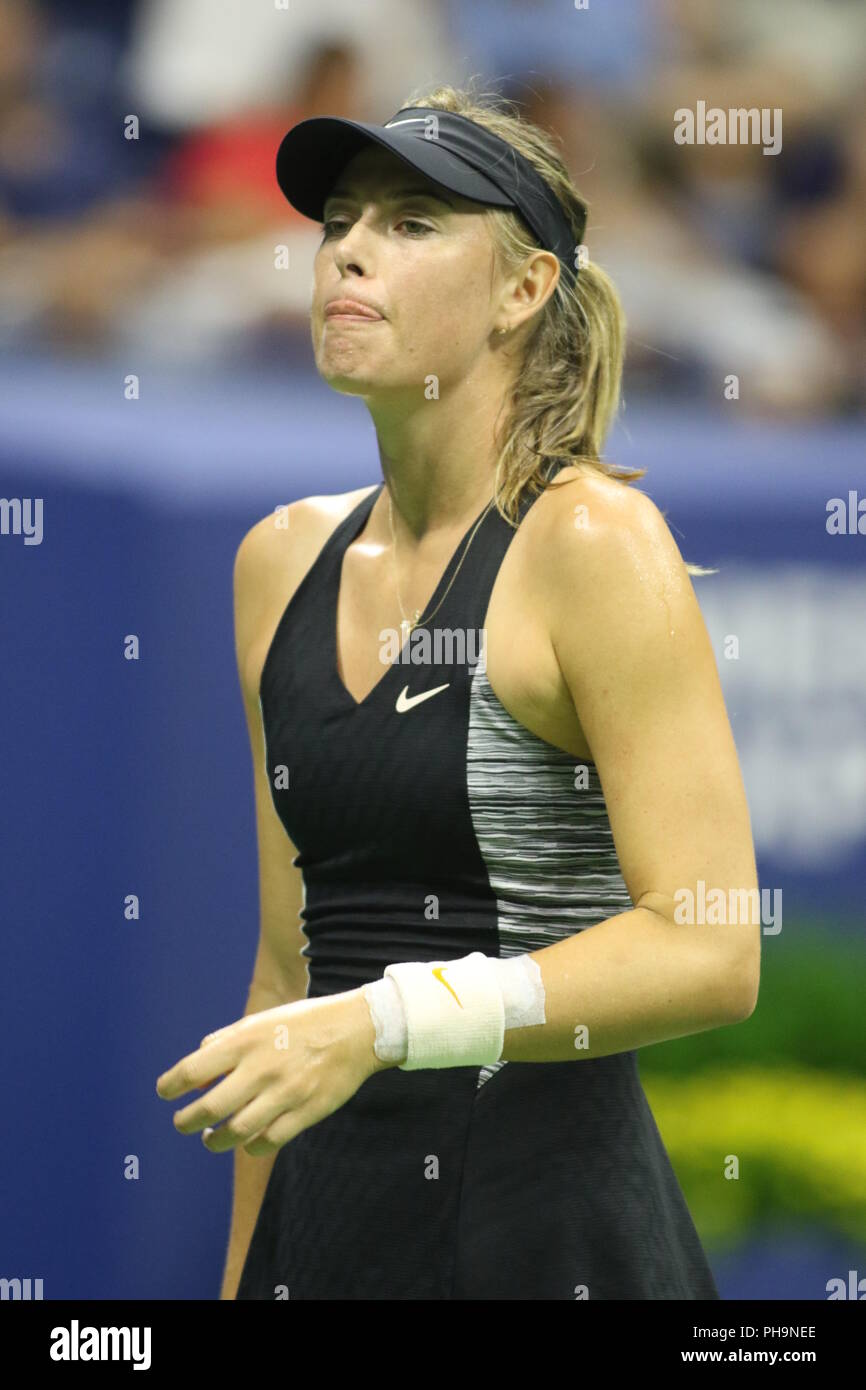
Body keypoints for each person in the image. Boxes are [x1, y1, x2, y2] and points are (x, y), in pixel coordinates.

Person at [156, 84, 761, 1300]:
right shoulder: (278, 560)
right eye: (340, 220)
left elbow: (709, 947)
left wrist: (384, 1022)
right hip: (329, 1233)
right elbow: (289, 978)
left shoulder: (592, 542)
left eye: (413, 223)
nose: (351, 251)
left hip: (546, 1241)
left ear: (523, 289)